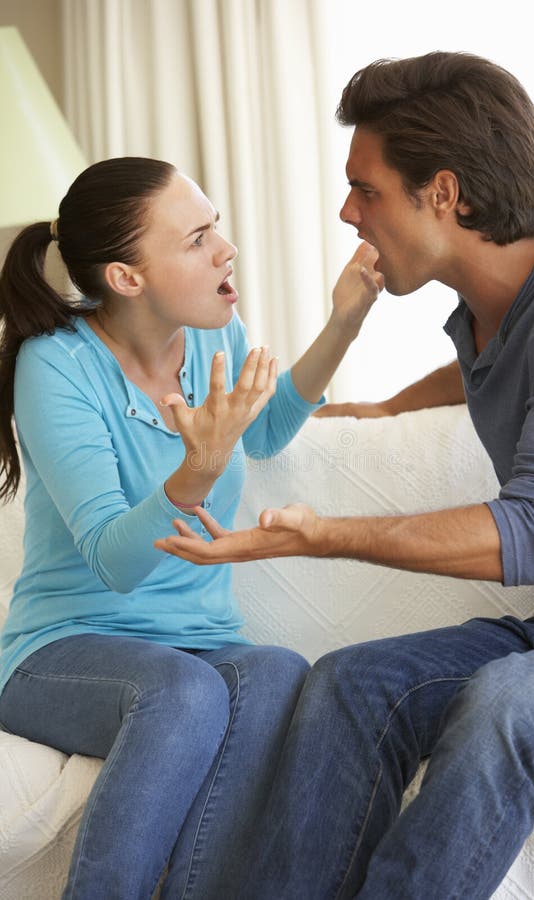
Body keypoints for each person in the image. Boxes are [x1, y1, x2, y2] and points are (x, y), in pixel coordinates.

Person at [156, 51, 534, 900]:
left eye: (367, 190)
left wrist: (323, 536)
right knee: (351, 684)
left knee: (507, 708)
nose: (347, 211)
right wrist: (383, 408)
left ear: (444, 193)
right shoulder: (497, 311)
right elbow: (505, 374)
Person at [0, 156, 383, 900]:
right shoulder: (56, 366)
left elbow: (264, 431)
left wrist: (345, 320)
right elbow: (112, 560)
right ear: (127, 277)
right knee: (184, 693)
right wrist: (198, 468)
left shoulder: (213, 334)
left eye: (216, 229)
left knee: (276, 673)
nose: (225, 250)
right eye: (198, 239)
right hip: (65, 649)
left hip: (200, 639)